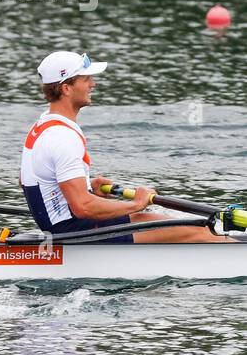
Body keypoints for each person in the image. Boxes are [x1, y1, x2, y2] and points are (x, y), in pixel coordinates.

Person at [21, 50, 227, 243]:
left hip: (67, 225)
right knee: (200, 231)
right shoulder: (62, 136)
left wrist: (83, 186)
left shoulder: (43, 124)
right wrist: (135, 203)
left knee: (152, 217)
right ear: (66, 88)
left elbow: (27, 180)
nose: (93, 84)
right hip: (78, 231)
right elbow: (83, 207)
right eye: (86, 79)